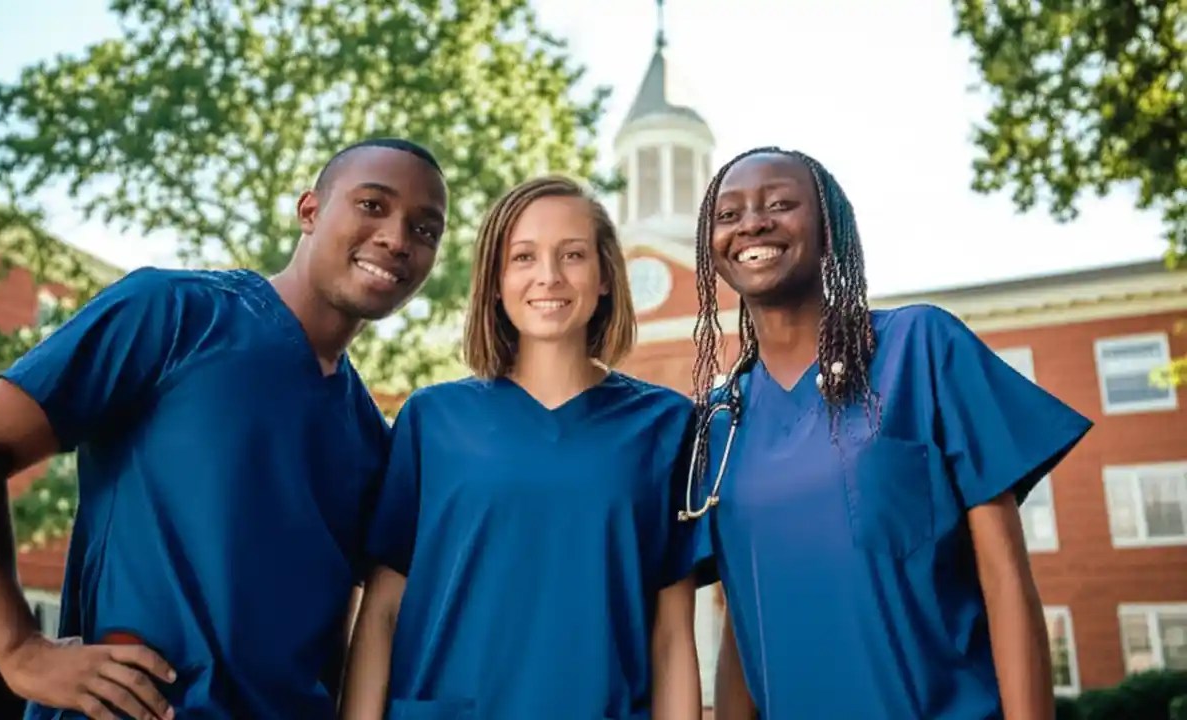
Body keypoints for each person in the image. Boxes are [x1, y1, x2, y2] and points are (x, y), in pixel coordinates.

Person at [0, 138, 449, 720]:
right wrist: (20, 650)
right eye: (373, 205)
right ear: (310, 210)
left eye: (425, 230)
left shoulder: (374, 440)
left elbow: (341, 631)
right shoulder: (174, 314)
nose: (398, 238)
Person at [683, 148, 1093, 720]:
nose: (753, 222)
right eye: (728, 215)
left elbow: (1004, 579)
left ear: (830, 231)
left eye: (779, 203)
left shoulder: (920, 347)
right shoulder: (719, 424)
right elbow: (743, 626)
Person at [341, 176, 710, 720]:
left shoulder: (666, 425)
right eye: (523, 257)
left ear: (606, 275)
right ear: (495, 280)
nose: (549, 277)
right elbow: (381, 614)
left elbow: (673, 635)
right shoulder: (433, 420)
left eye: (574, 255)